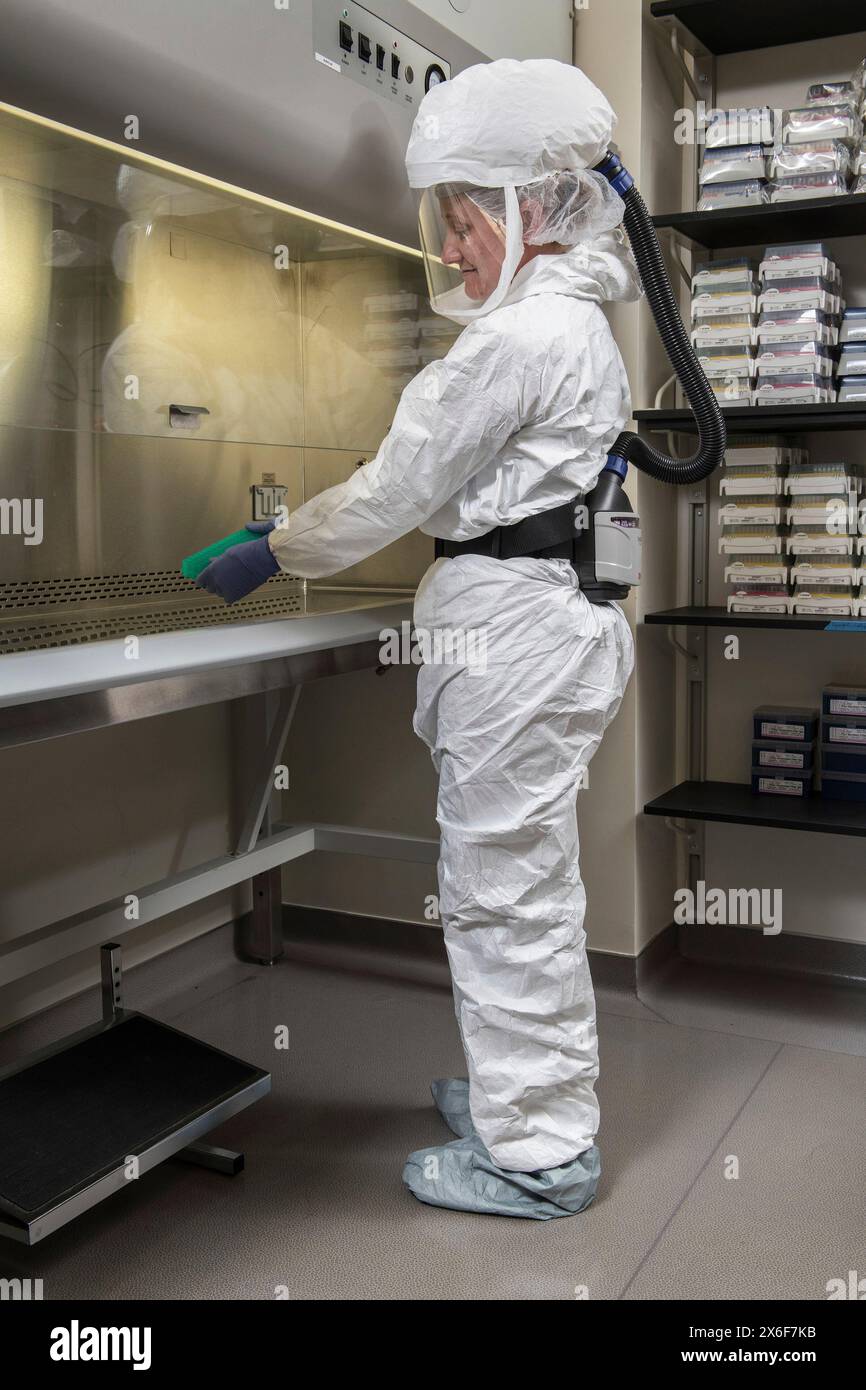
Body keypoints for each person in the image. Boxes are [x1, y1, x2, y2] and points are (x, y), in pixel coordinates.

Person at [198, 58, 639, 1219]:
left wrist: (268, 550)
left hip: (516, 638)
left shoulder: (517, 340)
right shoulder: (577, 327)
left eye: (463, 221)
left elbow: (394, 489)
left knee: (503, 893)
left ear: (527, 208)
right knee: (516, 881)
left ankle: (539, 1154)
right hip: (544, 631)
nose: (449, 251)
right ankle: (516, 1100)